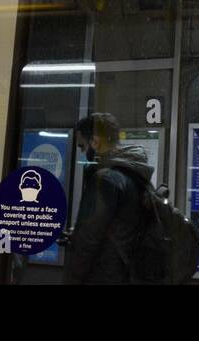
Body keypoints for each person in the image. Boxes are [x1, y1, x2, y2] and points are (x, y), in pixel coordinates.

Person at [63, 112, 152, 284]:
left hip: (103, 274)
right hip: (125, 272)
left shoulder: (105, 179)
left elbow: (89, 239)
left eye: (82, 146)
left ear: (95, 141)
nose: (82, 152)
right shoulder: (135, 174)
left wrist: (73, 278)